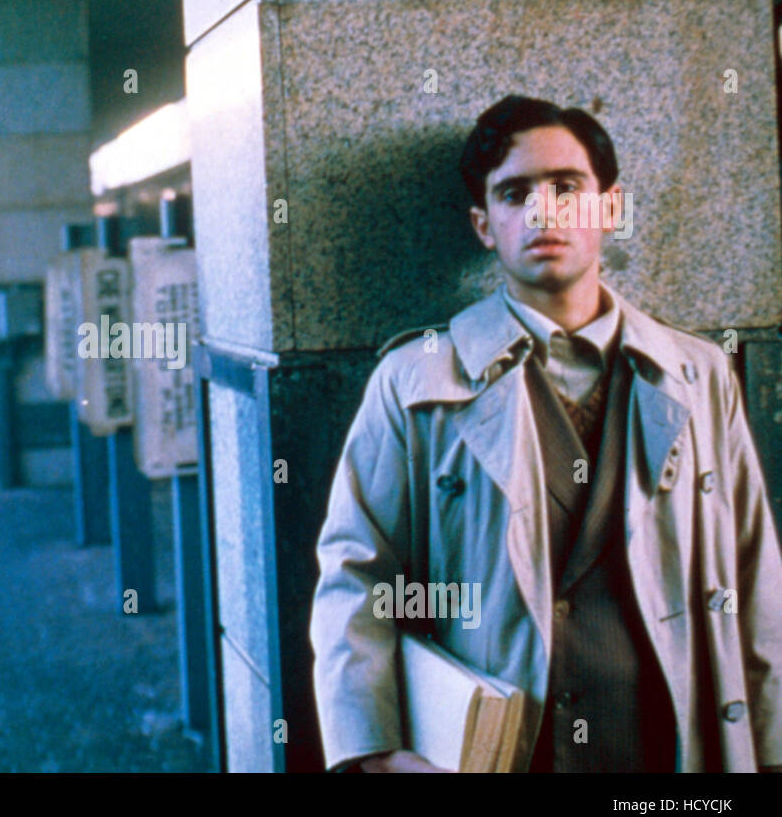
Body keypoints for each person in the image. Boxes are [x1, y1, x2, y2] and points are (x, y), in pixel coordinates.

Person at [309, 95, 782, 773]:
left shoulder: (698, 377)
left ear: (610, 208)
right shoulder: (415, 382)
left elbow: (754, 577)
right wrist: (376, 753)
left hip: (664, 749)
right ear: (483, 224)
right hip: (502, 748)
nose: (543, 210)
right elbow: (359, 576)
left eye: (567, 187)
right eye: (513, 193)